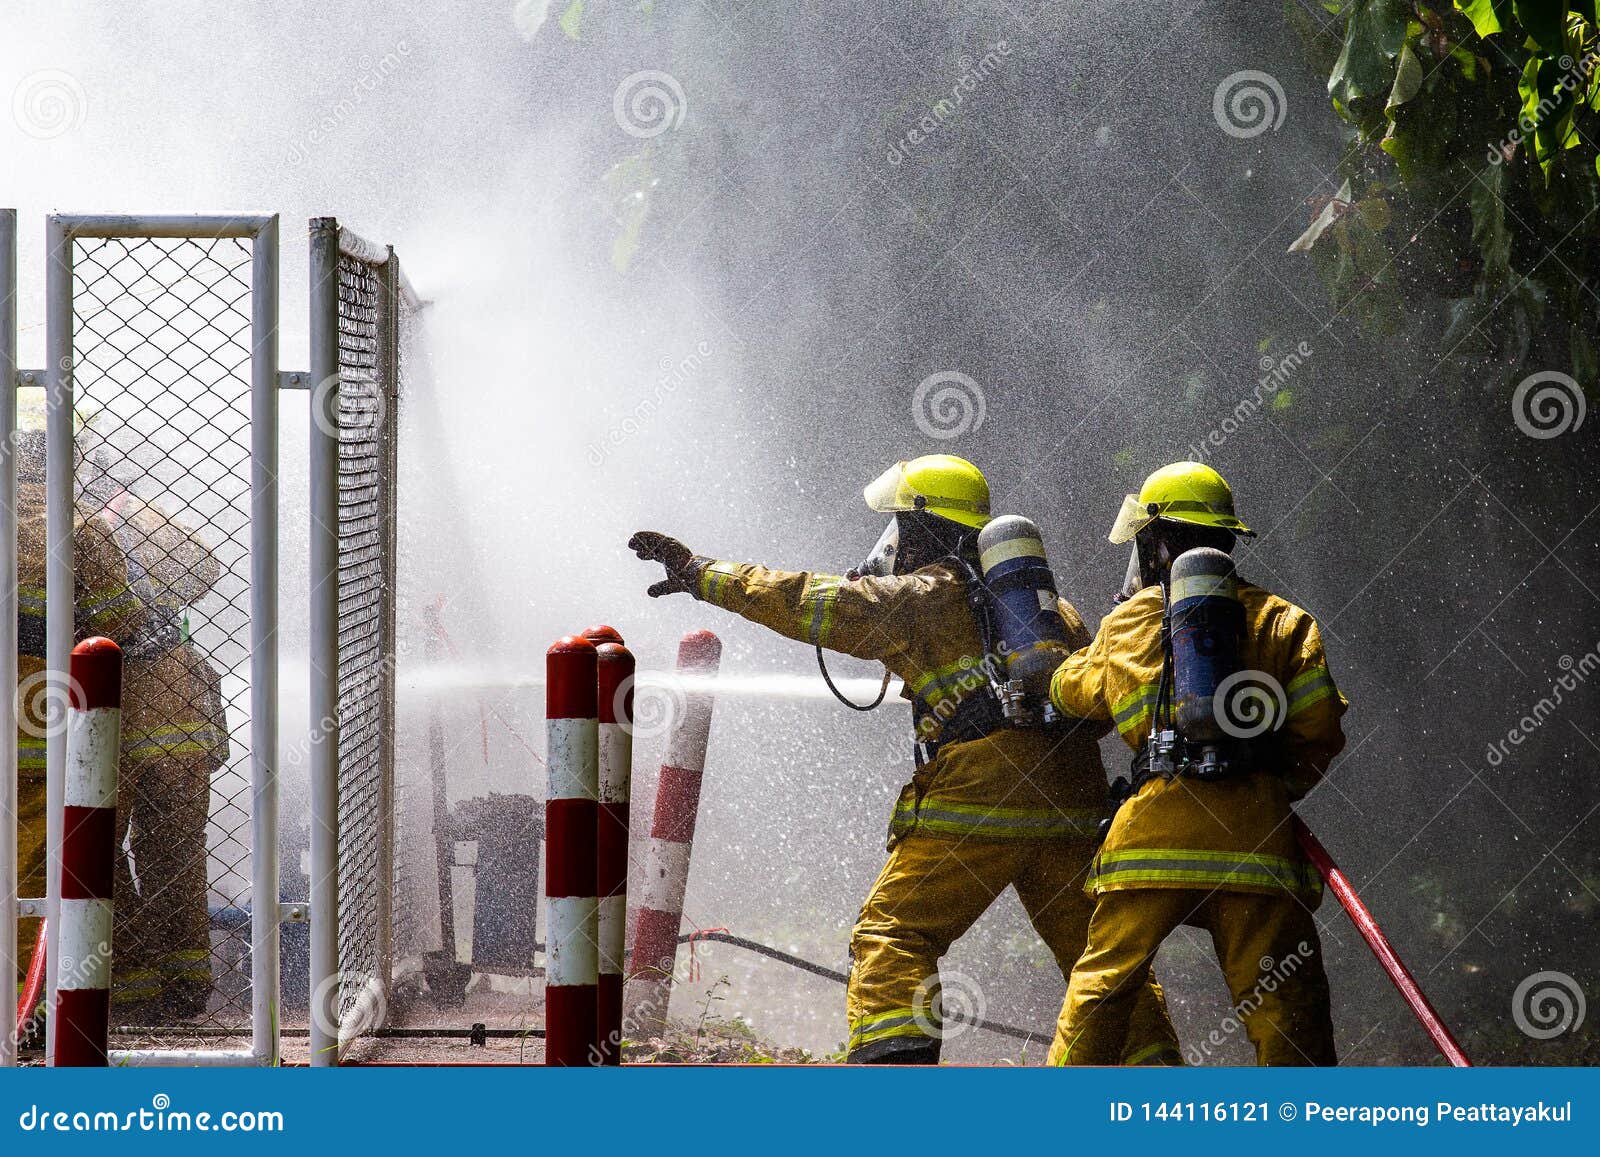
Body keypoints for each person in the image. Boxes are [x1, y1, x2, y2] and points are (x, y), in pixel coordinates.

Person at [631, 454, 1179, 1065]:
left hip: (978, 800)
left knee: (893, 934)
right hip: (1072, 798)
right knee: (1099, 961)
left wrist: (698, 571)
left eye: (898, 525)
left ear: (920, 528)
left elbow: (803, 599)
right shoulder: (1055, 614)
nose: (891, 541)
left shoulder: (917, 599)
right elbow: (1099, 701)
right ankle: (1156, 1092)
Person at [1048, 461, 1346, 1066]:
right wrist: (1269, 786)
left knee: (1102, 990)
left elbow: (1070, 692)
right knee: (1285, 1007)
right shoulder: (1285, 621)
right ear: (1229, 539)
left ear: (1156, 544)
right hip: (1255, 843)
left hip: (1148, 845)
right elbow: (1320, 729)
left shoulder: (1128, 622)